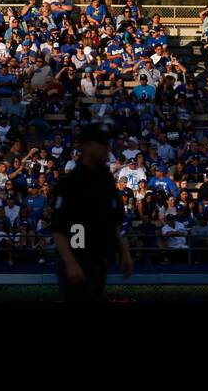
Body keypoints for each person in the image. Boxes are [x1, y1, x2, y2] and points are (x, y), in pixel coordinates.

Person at [50, 123, 132, 302]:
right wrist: (70, 263)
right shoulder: (71, 182)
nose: (106, 147)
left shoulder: (107, 180)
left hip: (99, 258)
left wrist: (124, 252)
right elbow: (58, 229)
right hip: (77, 257)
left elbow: (113, 221)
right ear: (86, 146)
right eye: (101, 142)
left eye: (107, 142)